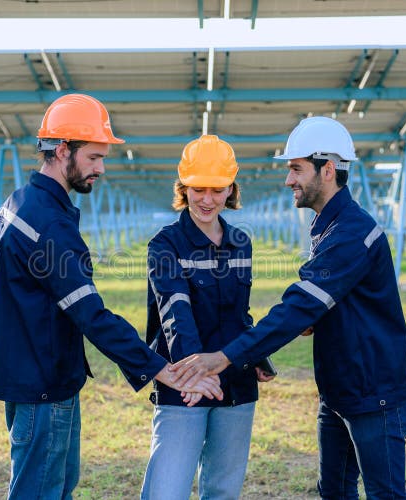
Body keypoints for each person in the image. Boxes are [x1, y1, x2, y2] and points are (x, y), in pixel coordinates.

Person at [0, 94, 222, 500]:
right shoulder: (49, 226)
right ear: (62, 151)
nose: (101, 168)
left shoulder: (15, 205)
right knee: (42, 492)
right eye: (94, 157)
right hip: (44, 384)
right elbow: (92, 315)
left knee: (54, 487)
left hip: (31, 376)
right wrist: (160, 368)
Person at [171, 117, 406, 499]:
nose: (289, 180)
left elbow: (299, 306)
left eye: (296, 169)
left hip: (374, 394)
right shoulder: (328, 226)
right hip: (339, 392)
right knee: (333, 491)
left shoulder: (351, 233)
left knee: (385, 494)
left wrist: (226, 357)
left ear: (328, 169)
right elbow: (319, 302)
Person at [139, 135, 275, 500]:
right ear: (183, 187)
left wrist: (257, 356)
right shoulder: (165, 244)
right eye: (198, 189)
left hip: (235, 384)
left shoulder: (241, 243)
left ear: (231, 188)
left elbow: (239, 313)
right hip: (183, 386)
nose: (207, 199)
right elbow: (174, 311)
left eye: (217, 189)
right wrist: (195, 375)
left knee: (222, 492)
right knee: (166, 492)